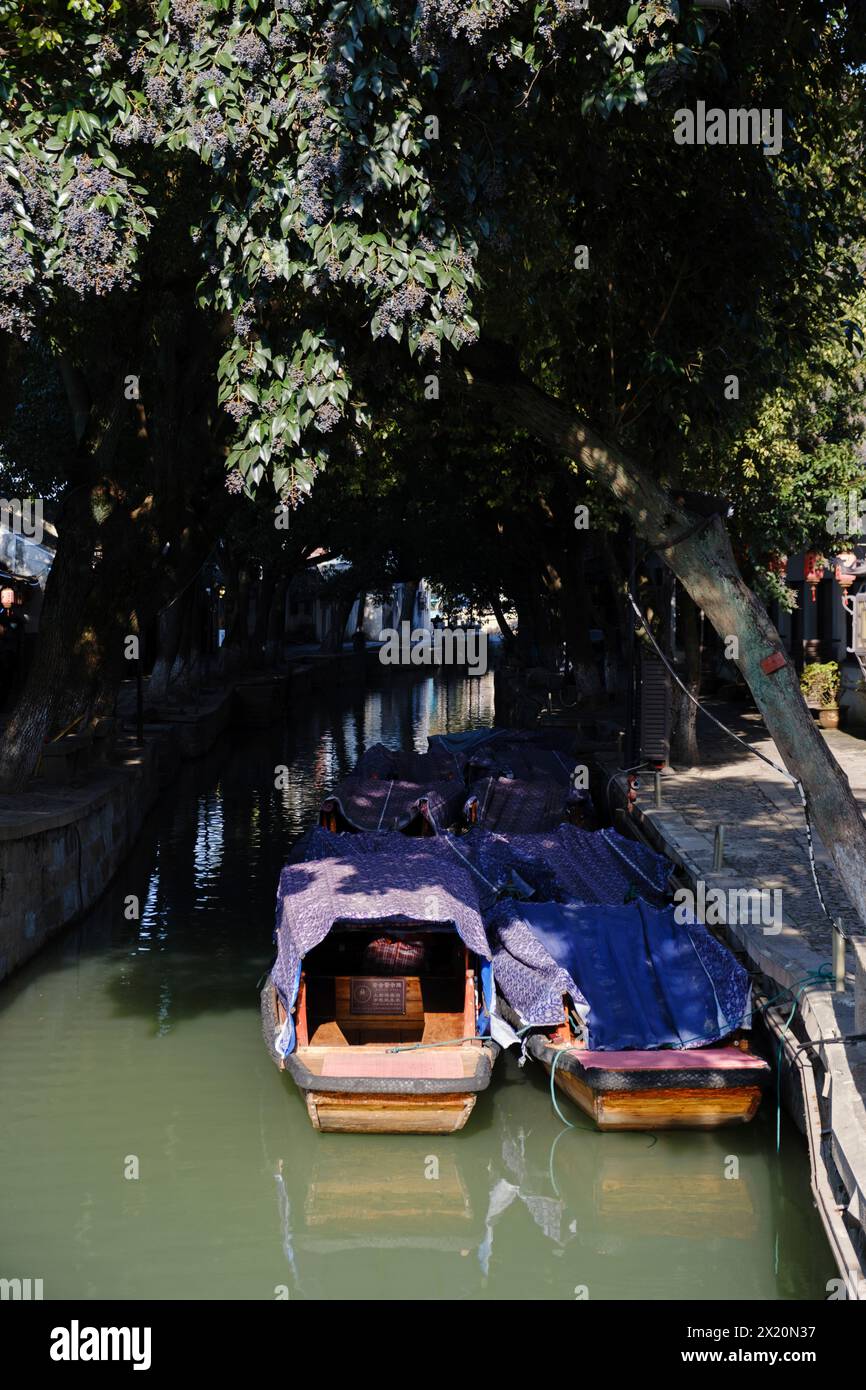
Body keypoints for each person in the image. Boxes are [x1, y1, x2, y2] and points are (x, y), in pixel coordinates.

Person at [0, 586, 23, 709]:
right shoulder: (1, 612)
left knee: (7, 678)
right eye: (5, 596)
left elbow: (15, 630)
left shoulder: (16, 614)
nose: (7, 599)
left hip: (10, 652)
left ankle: (4, 702)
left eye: (10, 596)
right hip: (3, 650)